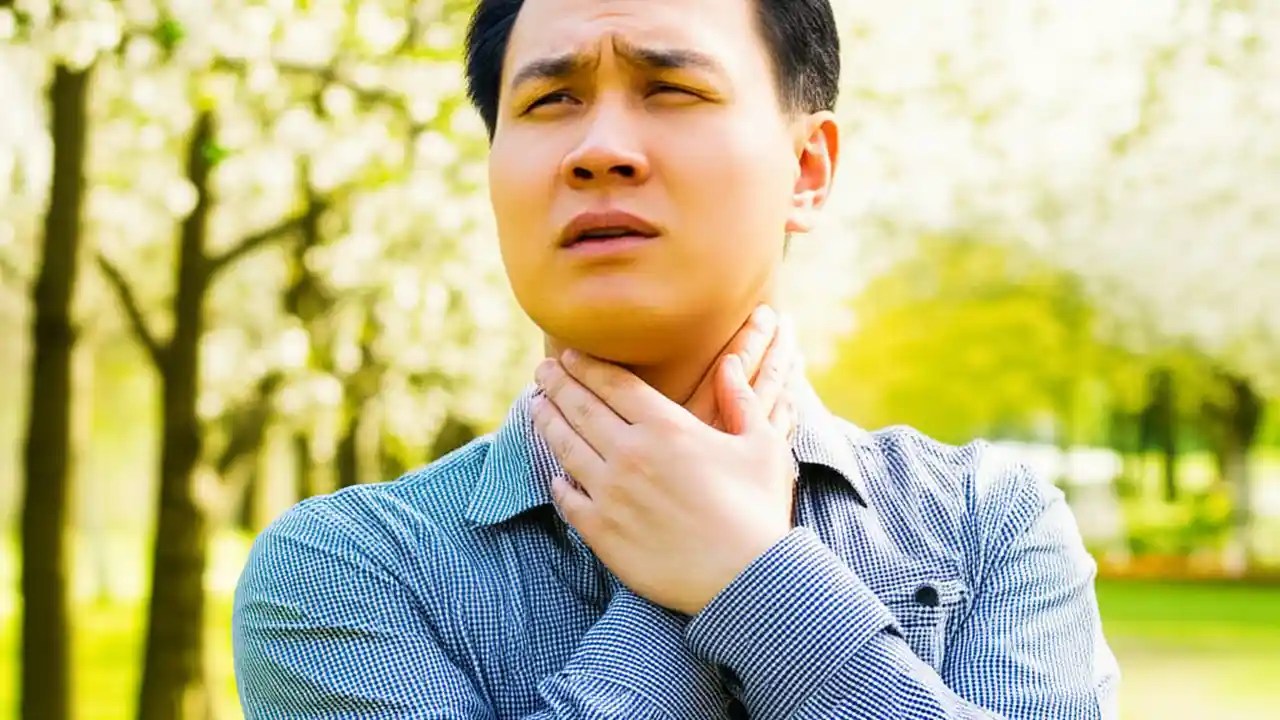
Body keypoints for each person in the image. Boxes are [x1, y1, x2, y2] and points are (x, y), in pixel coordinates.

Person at [232, 0, 1121, 717]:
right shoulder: (345, 574)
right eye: (551, 102)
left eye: (670, 89)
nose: (600, 151)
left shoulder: (988, 526)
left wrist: (753, 575)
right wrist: (700, 581)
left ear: (807, 169)